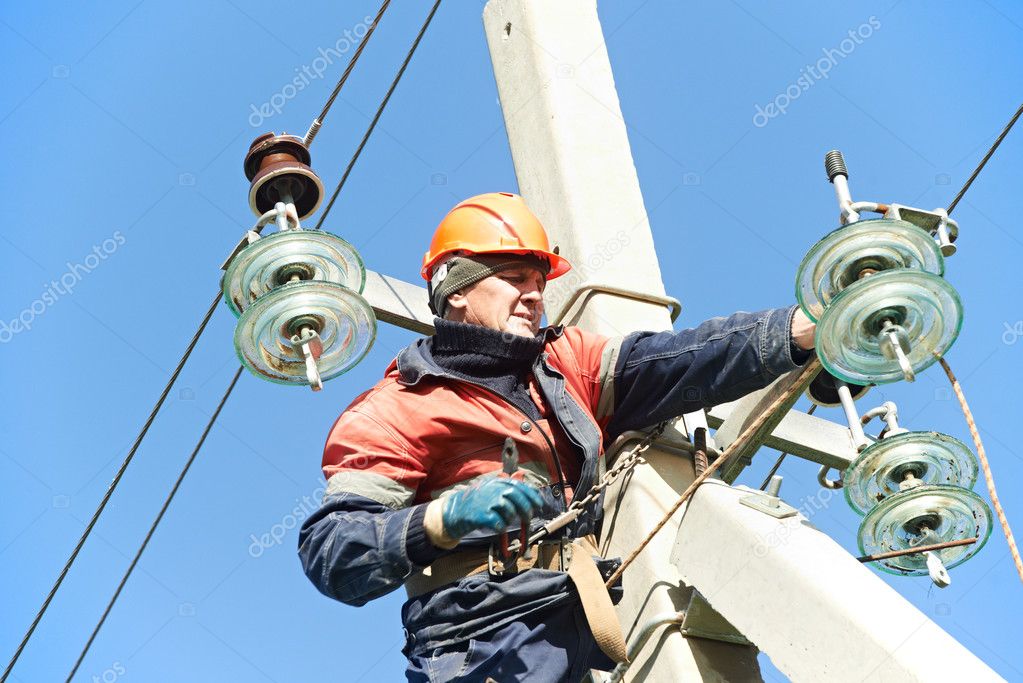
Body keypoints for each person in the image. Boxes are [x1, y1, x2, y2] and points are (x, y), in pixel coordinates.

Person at [298, 192, 816, 682]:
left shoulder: (567, 363)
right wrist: (441, 519)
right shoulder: (396, 408)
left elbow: (688, 357)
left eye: (541, 282)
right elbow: (333, 552)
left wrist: (809, 326)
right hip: (480, 647)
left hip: (576, 632)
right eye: (515, 277)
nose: (535, 295)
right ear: (456, 288)